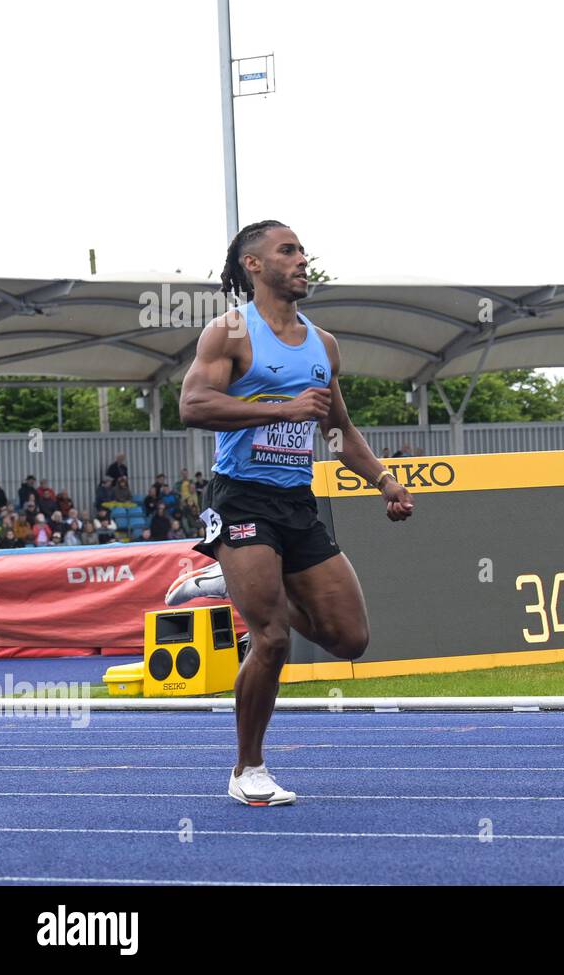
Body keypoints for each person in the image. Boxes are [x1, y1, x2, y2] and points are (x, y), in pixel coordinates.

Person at [170, 220, 414, 806]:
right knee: (272, 637)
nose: (303, 259)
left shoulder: (322, 344)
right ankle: (247, 769)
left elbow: (339, 429)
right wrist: (279, 405)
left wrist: (384, 481)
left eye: (303, 250)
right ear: (254, 265)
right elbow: (193, 404)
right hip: (242, 497)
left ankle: (229, 580)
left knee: (349, 638)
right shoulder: (230, 331)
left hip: (296, 504)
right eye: (288, 251)